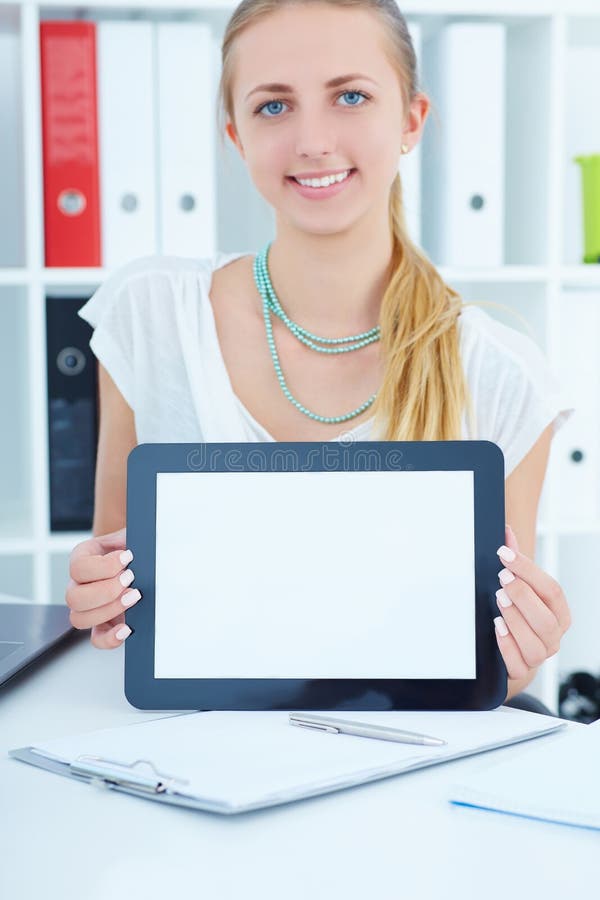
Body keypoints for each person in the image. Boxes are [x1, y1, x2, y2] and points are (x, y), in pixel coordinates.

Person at [66, 0, 573, 708]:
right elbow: (118, 600)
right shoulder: (150, 316)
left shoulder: (504, 377)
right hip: (195, 750)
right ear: (235, 136)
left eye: (352, 96)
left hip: (397, 767)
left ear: (410, 121)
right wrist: (98, 601)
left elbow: (491, 669)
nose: (312, 140)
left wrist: (520, 651)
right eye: (274, 107)